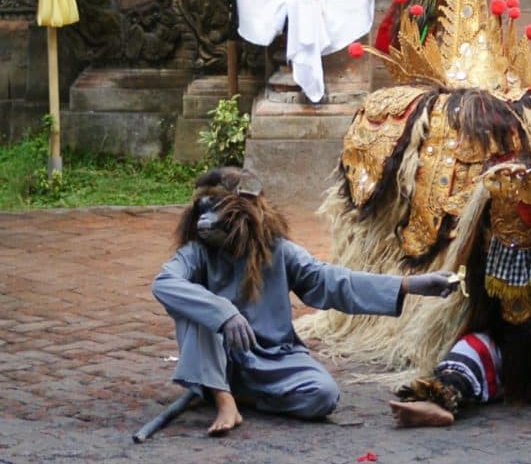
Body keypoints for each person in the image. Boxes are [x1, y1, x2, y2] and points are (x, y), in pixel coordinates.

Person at [151, 166, 456, 435]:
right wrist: (223, 312)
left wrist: (408, 285)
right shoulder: (197, 254)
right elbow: (166, 283)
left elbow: (334, 282)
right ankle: (223, 399)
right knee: (198, 311)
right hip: (216, 353)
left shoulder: (278, 251)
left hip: (270, 357)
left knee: (322, 395)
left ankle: (241, 393)